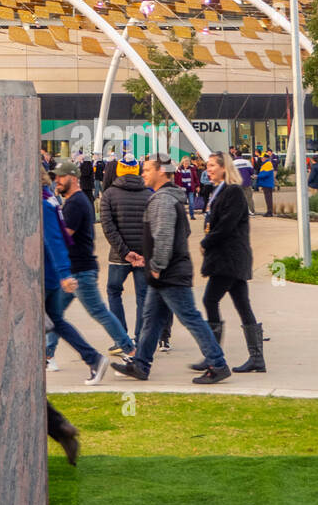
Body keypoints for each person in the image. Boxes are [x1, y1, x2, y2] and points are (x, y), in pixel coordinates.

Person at [112, 154, 231, 384]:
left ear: (161, 172)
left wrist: (156, 266)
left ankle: (218, 363)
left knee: (190, 318)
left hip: (170, 273)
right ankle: (141, 365)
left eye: (147, 170)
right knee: (152, 319)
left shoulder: (163, 200)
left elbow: (164, 237)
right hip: (166, 272)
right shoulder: (165, 198)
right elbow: (182, 233)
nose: (142, 174)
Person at [46, 160, 135, 378]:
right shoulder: (74, 202)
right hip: (77, 269)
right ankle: (48, 356)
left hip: (79, 271)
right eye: (55, 177)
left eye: (61, 176)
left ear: (74, 178)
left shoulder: (76, 203)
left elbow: (64, 236)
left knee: (97, 313)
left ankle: (131, 350)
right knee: (55, 316)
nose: (57, 181)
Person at [191, 152, 265, 374]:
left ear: (225, 168)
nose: (208, 169)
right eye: (208, 166)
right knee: (243, 305)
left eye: (213, 165)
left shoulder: (232, 191)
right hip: (230, 258)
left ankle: (213, 355)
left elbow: (227, 225)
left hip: (229, 258)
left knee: (210, 299)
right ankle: (256, 359)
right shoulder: (220, 190)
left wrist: (206, 241)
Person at [42, 170, 107, 383]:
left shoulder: (44, 203)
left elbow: (55, 239)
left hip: (48, 275)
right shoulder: (49, 199)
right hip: (51, 273)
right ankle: (92, 358)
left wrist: (64, 273)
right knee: (56, 320)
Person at [100, 158, 149, 350]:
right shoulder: (148, 194)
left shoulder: (109, 194)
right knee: (143, 297)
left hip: (119, 257)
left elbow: (108, 226)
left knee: (114, 292)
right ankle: (141, 339)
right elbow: (153, 225)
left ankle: (121, 338)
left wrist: (125, 252)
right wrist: (144, 252)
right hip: (143, 256)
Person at [233, 147, 256, 216]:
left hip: (237, 183)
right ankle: (252, 211)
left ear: (235, 155)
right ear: (241, 155)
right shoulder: (247, 162)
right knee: (249, 197)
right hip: (247, 182)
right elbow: (252, 172)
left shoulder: (233, 163)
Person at [254, 151, 275, 217]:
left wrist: (257, 176)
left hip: (267, 184)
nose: (261, 159)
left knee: (268, 198)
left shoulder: (268, 164)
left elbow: (266, 174)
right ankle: (269, 211)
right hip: (266, 183)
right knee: (268, 198)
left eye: (262, 158)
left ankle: (269, 212)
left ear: (265, 158)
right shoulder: (266, 164)